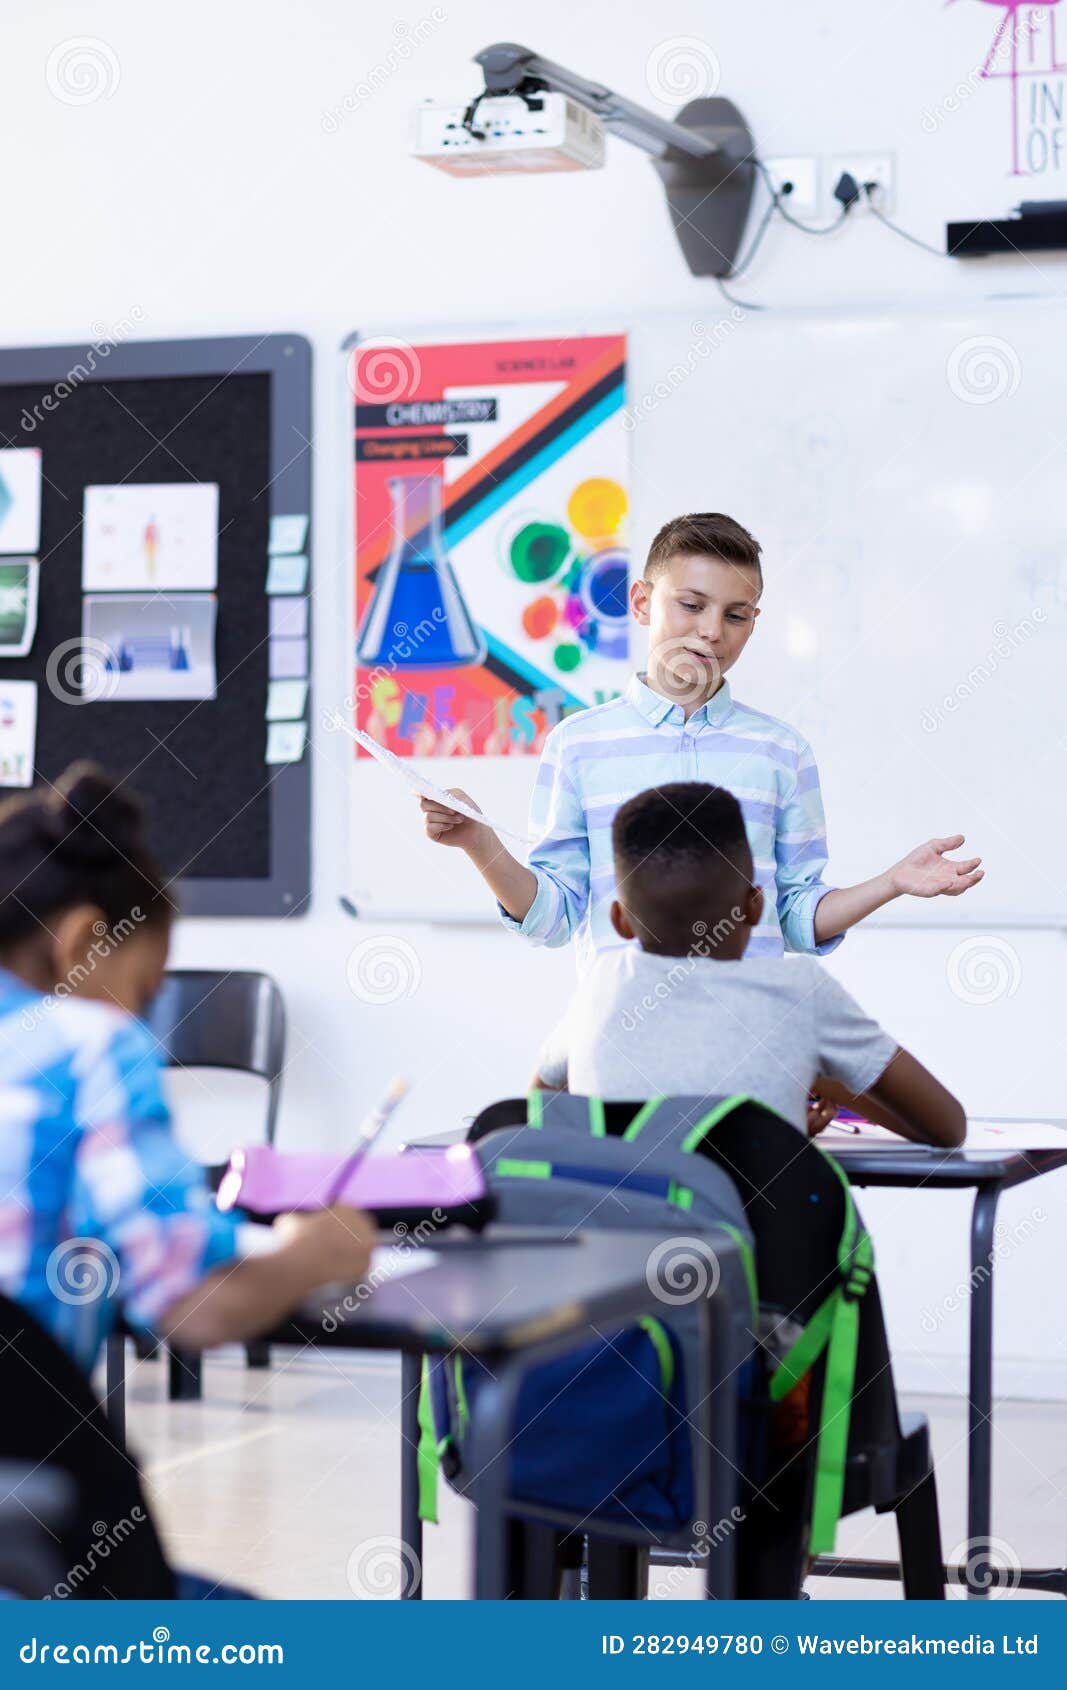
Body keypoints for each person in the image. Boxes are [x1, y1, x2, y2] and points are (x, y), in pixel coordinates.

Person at [419, 512, 982, 976]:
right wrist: (478, 842)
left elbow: (794, 915)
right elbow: (554, 919)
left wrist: (891, 883)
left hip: (748, 1044)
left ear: (753, 623)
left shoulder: (780, 752)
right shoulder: (577, 745)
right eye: (691, 605)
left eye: (735, 615)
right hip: (621, 1046)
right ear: (641, 602)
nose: (712, 631)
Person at [532, 780, 965, 1147]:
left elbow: (540, 1103)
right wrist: (816, 1075)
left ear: (620, 922)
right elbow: (948, 1127)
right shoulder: (801, 994)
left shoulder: (600, 987)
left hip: (617, 1242)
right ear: (757, 907)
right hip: (760, 1246)